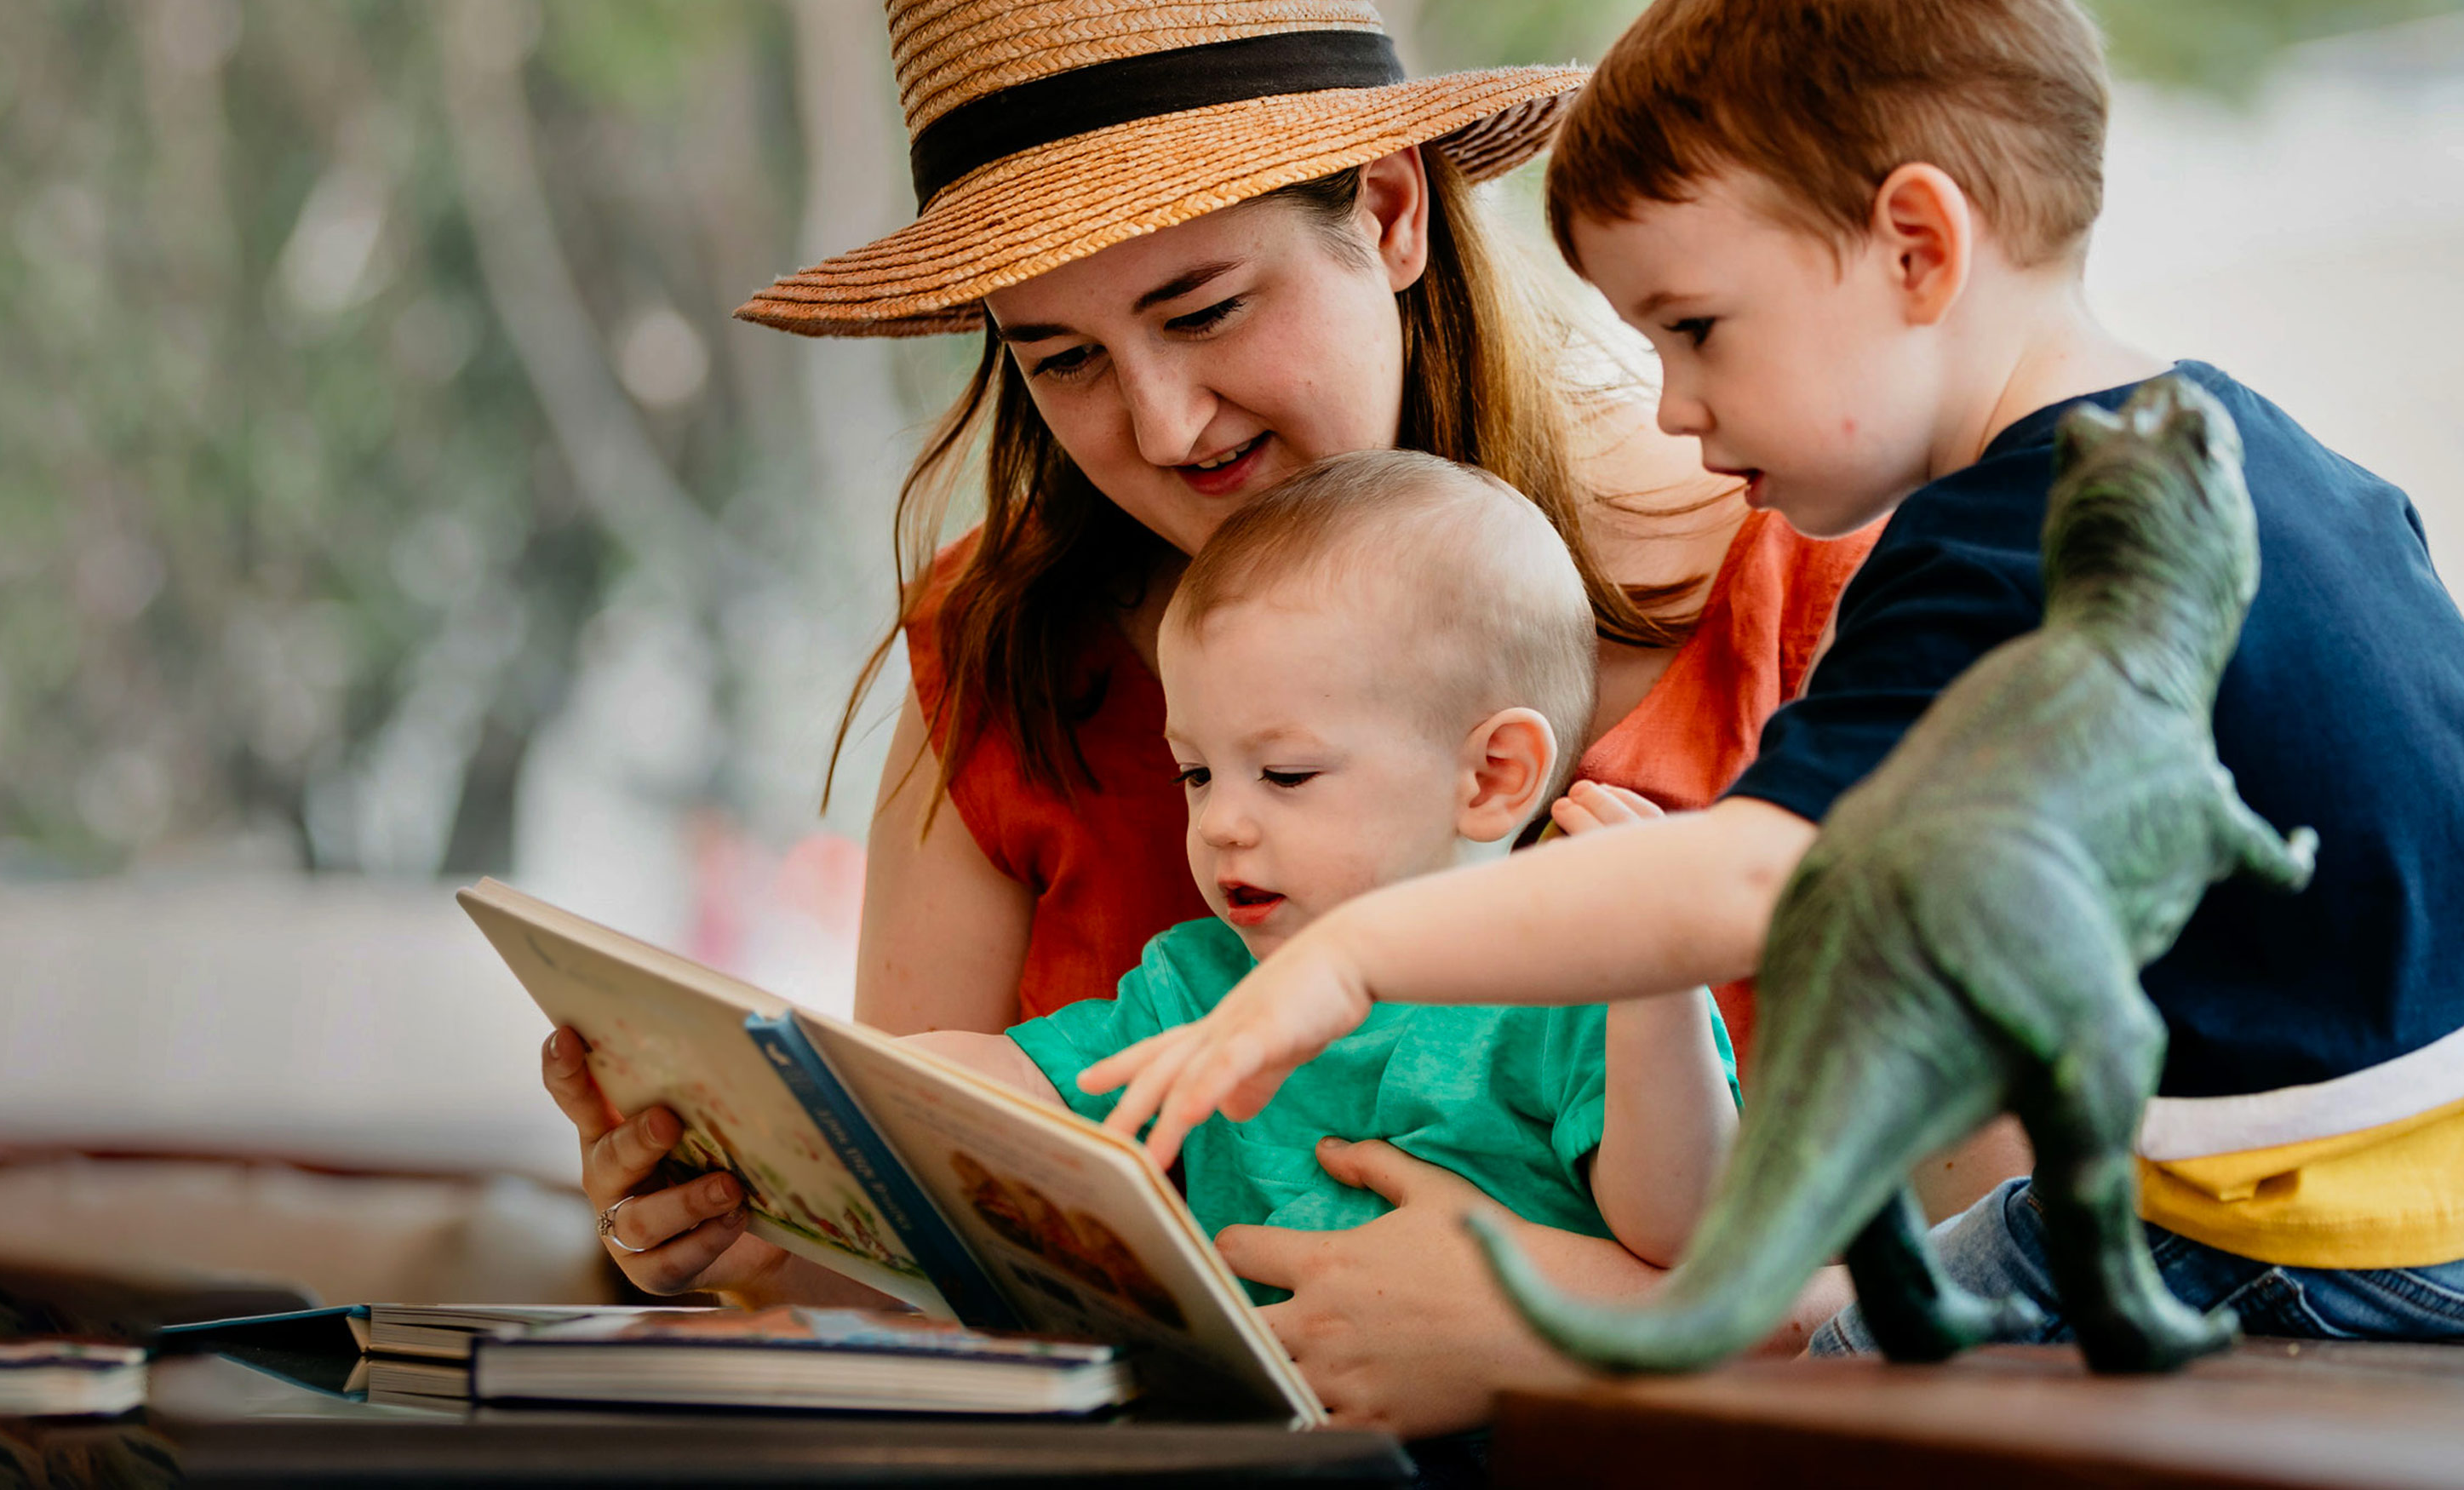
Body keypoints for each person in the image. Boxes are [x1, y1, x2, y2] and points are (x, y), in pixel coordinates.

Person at [541, 0, 1876, 1435]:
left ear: (1389, 209)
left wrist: (1601, 1327)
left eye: (1203, 310)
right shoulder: (1005, 660)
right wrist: (758, 1220)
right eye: (1060, 359)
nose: (1167, 426)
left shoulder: (1822, 595)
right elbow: (956, 1214)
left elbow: (2012, 1265)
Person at [1083, 0, 2464, 1351]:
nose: (1678, 407)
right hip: (2385, 1193)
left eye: (1695, 330)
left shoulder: (2009, 544)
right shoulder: (2241, 449)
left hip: (2316, 1250)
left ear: (1918, 249)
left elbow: (1754, 880)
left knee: (1838, 1394)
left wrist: (1352, 952)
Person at [901, 451, 1740, 1287]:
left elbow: (1686, 1230)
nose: (1221, 822)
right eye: (1195, 773)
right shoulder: (1196, 988)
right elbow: (1024, 1087)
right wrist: (848, 1087)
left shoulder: (1587, 989)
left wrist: (1654, 977)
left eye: (1285, 775)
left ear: (1491, 776)